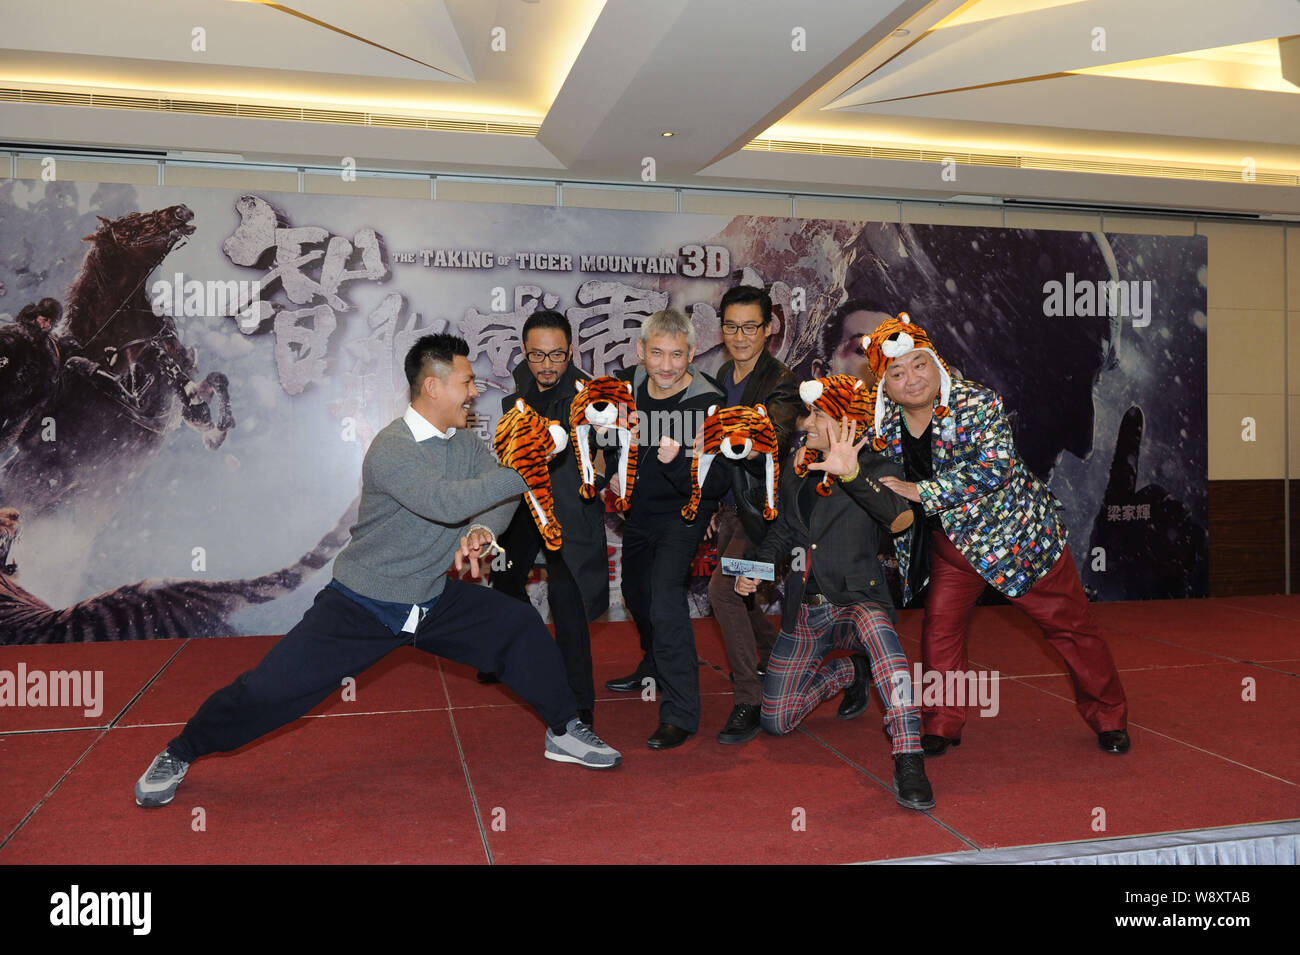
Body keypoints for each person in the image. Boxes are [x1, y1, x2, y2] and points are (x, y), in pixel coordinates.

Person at [134, 333, 621, 808]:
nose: (475, 391)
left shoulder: (465, 443)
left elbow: (497, 494)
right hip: (363, 603)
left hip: (431, 599)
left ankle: (563, 729)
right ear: (433, 386)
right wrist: (527, 467)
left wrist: (483, 533)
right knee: (269, 691)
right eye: (467, 381)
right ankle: (179, 752)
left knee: (517, 625)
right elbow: (444, 501)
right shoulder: (393, 447)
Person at [861, 314, 1130, 756]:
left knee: (1072, 629)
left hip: (1017, 539)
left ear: (937, 363)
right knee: (939, 631)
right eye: (897, 371)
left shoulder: (976, 403)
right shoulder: (883, 422)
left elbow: (993, 468)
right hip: (951, 548)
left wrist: (918, 490)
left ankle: (1109, 715)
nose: (911, 379)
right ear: (883, 384)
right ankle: (941, 722)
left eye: (919, 364)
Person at [733, 378, 932, 810]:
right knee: (776, 721)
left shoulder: (878, 464)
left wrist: (853, 474)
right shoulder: (798, 462)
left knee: (883, 641)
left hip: (860, 599)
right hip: (806, 610)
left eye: (816, 415)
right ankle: (848, 675)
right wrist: (757, 572)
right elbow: (785, 529)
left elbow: (901, 521)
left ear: (845, 421)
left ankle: (909, 756)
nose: (805, 423)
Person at [477, 310, 610, 728]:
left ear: (571, 351)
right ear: (524, 353)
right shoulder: (515, 393)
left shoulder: (591, 396)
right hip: (522, 505)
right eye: (537, 355)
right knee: (503, 581)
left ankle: (578, 698)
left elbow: (611, 451)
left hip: (569, 510)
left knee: (566, 601)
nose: (547, 364)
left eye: (556, 355)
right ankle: (510, 653)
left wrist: (594, 482)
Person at [604, 308, 725, 750]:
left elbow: (719, 479)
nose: (667, 365)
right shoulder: (624, 389)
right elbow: (602, 442)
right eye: (657, 353)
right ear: (641, 352)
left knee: (665, 602)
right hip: (637, 515)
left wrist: (679, 466)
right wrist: (609, 476)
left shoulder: (709, 402)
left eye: (677, 355)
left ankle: (680, 712)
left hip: (685, 514)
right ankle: (654, 664)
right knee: (635, 594)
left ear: (692, 354)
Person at [705, 285, 801, 744]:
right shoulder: (723, 374)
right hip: (730, 508)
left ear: (768, 329)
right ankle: (786, 658)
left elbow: (773, 442)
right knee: (743, 598)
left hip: (764, 515)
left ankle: (749, 695)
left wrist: (725, 435)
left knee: (724, 592)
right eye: (730, 326)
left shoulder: (781, 381)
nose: (739, 336)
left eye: (750, 327)